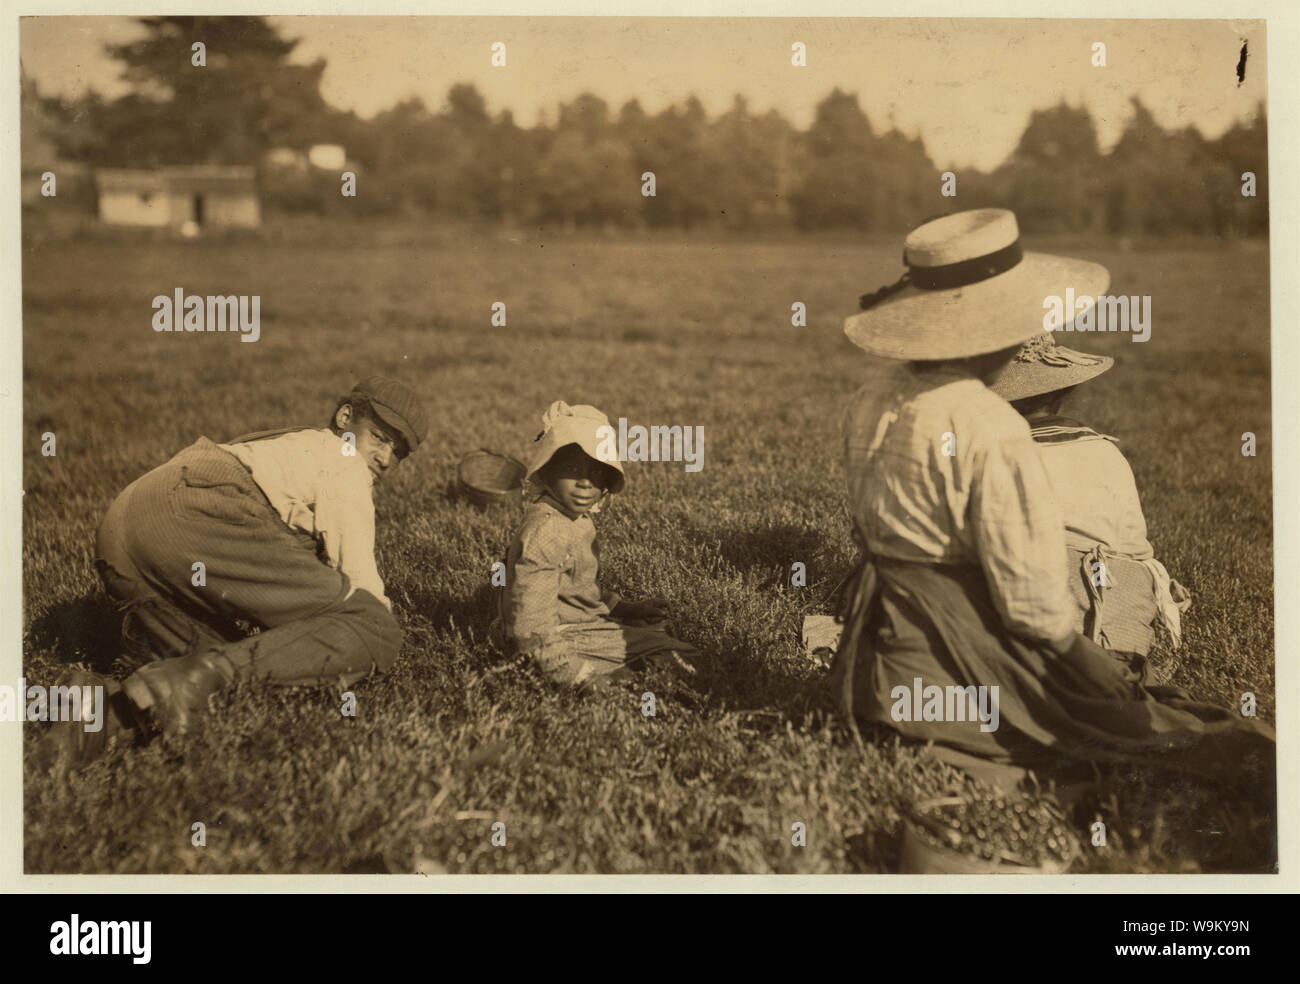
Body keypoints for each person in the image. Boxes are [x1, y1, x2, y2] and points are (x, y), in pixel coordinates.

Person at [828, 208, 1272, 791]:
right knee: (1143, 735)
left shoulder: (871, 396)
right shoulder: (987, 423)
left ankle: (897, 721)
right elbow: (1030, 609)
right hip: (953, 640)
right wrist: (1097, 672)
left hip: (871, 648)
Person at [35, 375, 429, 768]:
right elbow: (364, 595)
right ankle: (186, 683)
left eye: (399, 452)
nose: (385, 458)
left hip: (125, 531)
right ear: (345, 418)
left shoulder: (287, 441)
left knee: (224, 676)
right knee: (374, 629)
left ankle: (97, 710)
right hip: (195, 515)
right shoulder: (343, 461)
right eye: (379, 437)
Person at [991, 335, 1190, 660]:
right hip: (1120, 614)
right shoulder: (1106, 452)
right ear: (1061, 394)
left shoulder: (999, 456)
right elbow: (1137, 549)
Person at [491, 401, 700, 690]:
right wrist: (576, 675)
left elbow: (575, 588)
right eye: (573, 468)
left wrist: (625, 608)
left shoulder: (575, 518)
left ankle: (635, 669)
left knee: (659, 635)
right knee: (679, 654)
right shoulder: (547, 530)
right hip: (551, 640)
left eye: (598, 473)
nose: (586, 483)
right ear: (548, 471)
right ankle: (620, 680)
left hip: (573, 626)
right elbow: (531, 623)